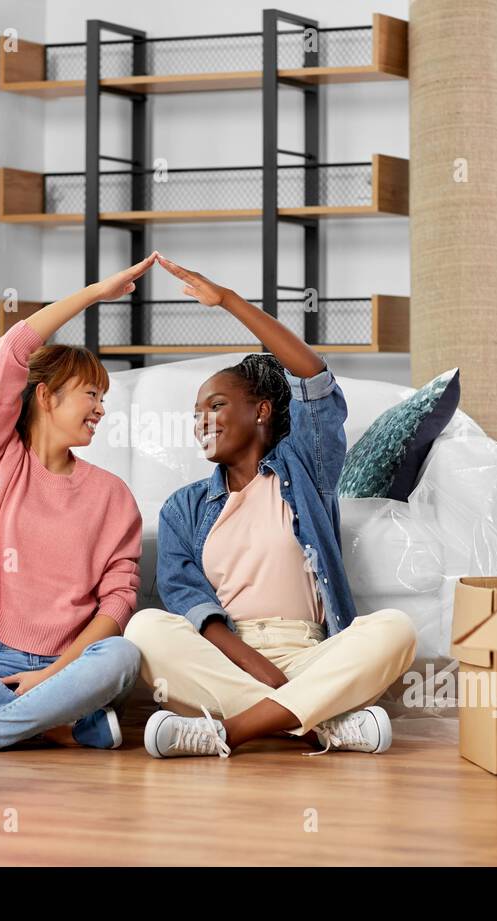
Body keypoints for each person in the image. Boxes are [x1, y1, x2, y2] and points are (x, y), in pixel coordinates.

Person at [124, 253, 417, 759]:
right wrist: (265, 674)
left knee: (396, 630)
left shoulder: (303, 468)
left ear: (261, 411)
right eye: (196, 414)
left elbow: (313, 378)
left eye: (215, 406)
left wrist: (230, 302)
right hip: (228, 658)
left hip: (313, 654)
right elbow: (190, 604)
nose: (202, 422)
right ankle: (318, 722)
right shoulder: (183, 508)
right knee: (144, 629)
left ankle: (230, 731)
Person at [0, 255, 156, 752]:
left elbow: (119, 602)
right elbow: (13, 349)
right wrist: (93, 294)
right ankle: (60, 725)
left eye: (103, 398)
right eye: (90, 394)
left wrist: (52, 679)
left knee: (122, 656)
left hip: (77, 667)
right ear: (45, 397)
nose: (101, 409)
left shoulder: (112, 496)